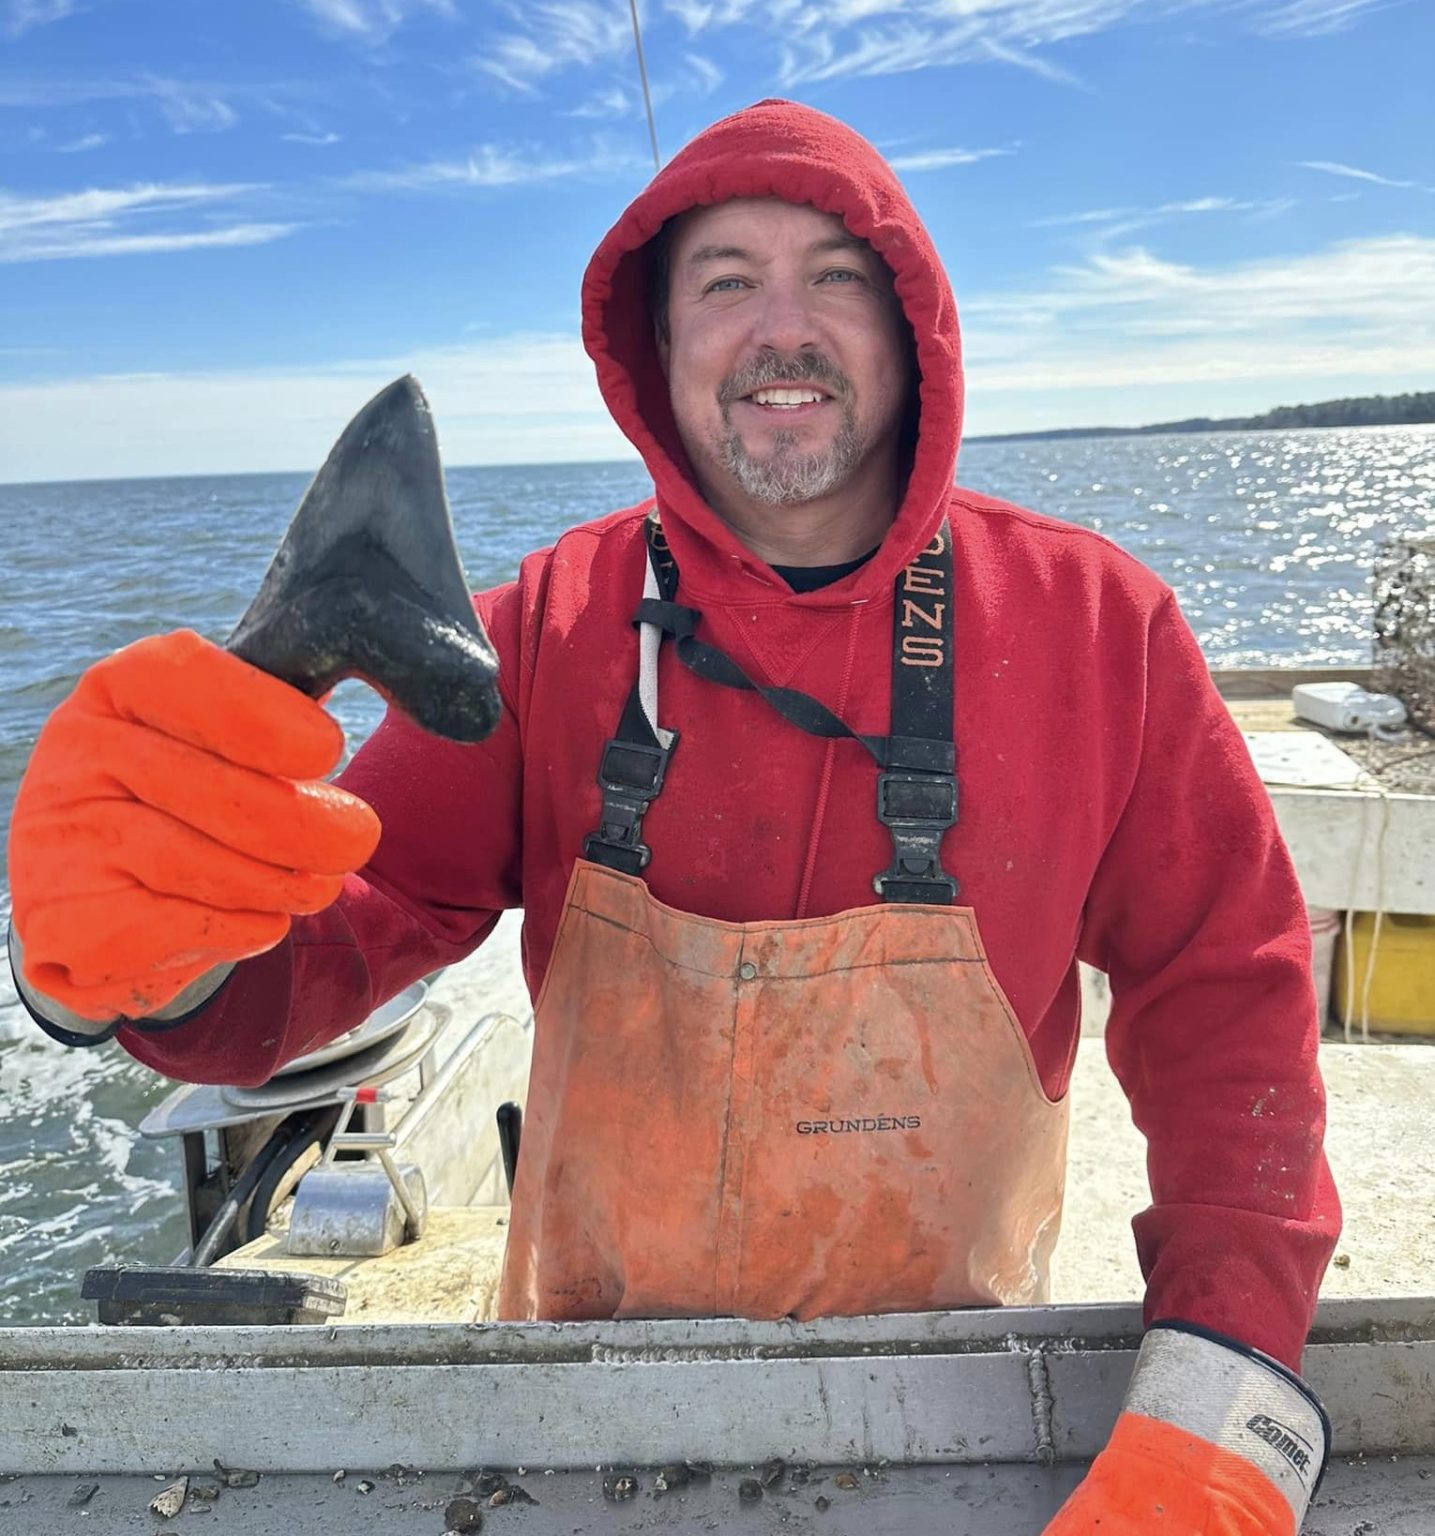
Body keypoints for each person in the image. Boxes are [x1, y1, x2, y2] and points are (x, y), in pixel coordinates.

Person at [8, 100, 1339, 1532]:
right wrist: (136, 946)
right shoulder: (547, 631)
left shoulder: (1098, 627)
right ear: (656, 345)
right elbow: (326, 953)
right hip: (580, 1410)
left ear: (914, 329)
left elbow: (1230, 1011)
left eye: (837, 275)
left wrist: (1223, 1408)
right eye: (725, 282)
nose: (785, 327)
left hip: (960, 1401)